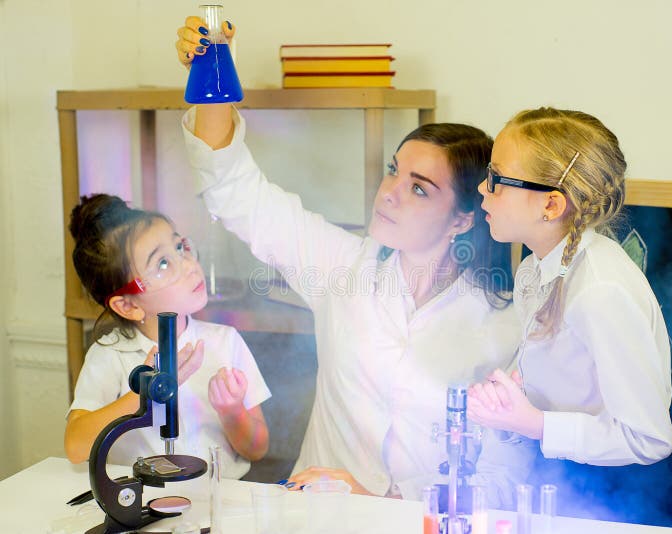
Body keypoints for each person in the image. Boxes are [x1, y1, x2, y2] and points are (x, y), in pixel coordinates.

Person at [174, 18, 520, 499]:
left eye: (419, 188)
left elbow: (503, 476)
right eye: (393, 172)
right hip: (312, 513)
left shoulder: (503, 324)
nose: (390, 193)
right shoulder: (342, 268)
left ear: (463, 220)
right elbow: (232, 189)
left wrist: (382, 498)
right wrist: (212, 66)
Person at [468, 108, 672, 526]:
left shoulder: (599, 290)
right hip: (557, 478)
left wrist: (533, 423)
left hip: (617, 500)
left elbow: (649, 439)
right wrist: (511, 399)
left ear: (551, 204)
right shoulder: (534, 268)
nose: (481, 187)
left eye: (495, 178)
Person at [64, 193, 270, 479]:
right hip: (144, 502)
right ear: (129, 305)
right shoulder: (109, 355)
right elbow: (75, 446)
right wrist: (143, 395)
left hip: (222, 500)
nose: (188, 265)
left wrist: (232, 410)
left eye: (180, 247)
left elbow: (257, 449)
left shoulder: (225, 342)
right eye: (162, 263)